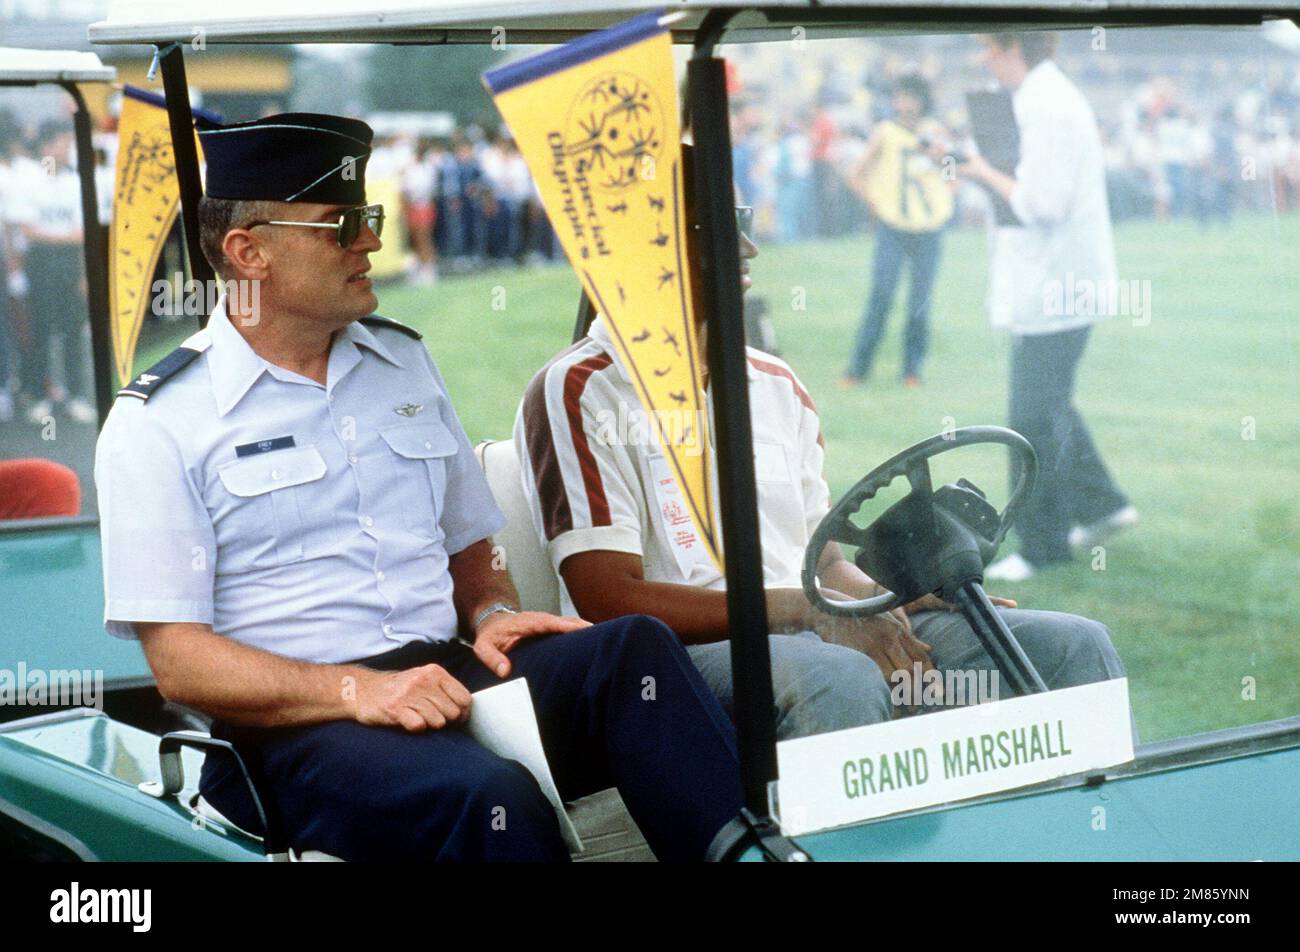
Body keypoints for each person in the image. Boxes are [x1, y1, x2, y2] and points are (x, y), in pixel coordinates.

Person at [94, 113, 743, 862]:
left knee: (632, 651)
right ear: (249, 252)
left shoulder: (401, 363)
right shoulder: (161, 421)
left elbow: (471, 540)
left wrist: (492, 607)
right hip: (291, 736)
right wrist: (354, 692)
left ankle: (740, 857)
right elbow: (178, 659)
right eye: (340, 225)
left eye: (367, 218)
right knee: (488, 798)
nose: (370, 240)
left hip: (445, 672)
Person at [516, 144, 1127, 741]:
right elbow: (610, 596)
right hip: (678, 659)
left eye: (745, 222)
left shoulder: (778, 386)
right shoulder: (581, 391)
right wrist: (809, 612)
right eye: (722, 227)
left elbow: (829, 563)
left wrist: (896, 599)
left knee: (1072, 647)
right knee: (841, 679)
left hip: (813, 630)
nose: (750, 248)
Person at [960, 33, 1137, 581]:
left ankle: (1042, 545)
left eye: (989, 48)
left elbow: (1042, 202)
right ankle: (1105, 504)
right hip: (1059, 284)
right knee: (1050, 405)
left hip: (1058, 287)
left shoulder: (1047, 105)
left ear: (1014, 46)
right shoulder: (1042, 100)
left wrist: (977, 169)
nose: (984, 59)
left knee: (1031, 417)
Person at [841, 74, 955, 388]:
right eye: (900, 96)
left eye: (911, 97)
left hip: (928, 229)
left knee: (920, 302)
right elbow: (856, 174)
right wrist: (876, 206)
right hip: (893, 228)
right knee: (881, 297)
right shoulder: (885, 132)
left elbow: (953, 171)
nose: (905, 104)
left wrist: (944, 190)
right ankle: (857, 370)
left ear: (922, 100)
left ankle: (912, 371)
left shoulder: (934, 132)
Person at [11, 122, 95, 425]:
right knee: (42, 331)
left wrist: (84, 274)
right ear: (46, 147)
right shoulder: (30, 181)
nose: (66, 148)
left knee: (73, 331)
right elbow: (27, 229)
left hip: (70, 264)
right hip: (42, 264)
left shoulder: (74, 182)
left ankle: (76, 396)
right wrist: (65, 236)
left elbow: (84, 232)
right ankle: (41, 395)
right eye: (61, 142)